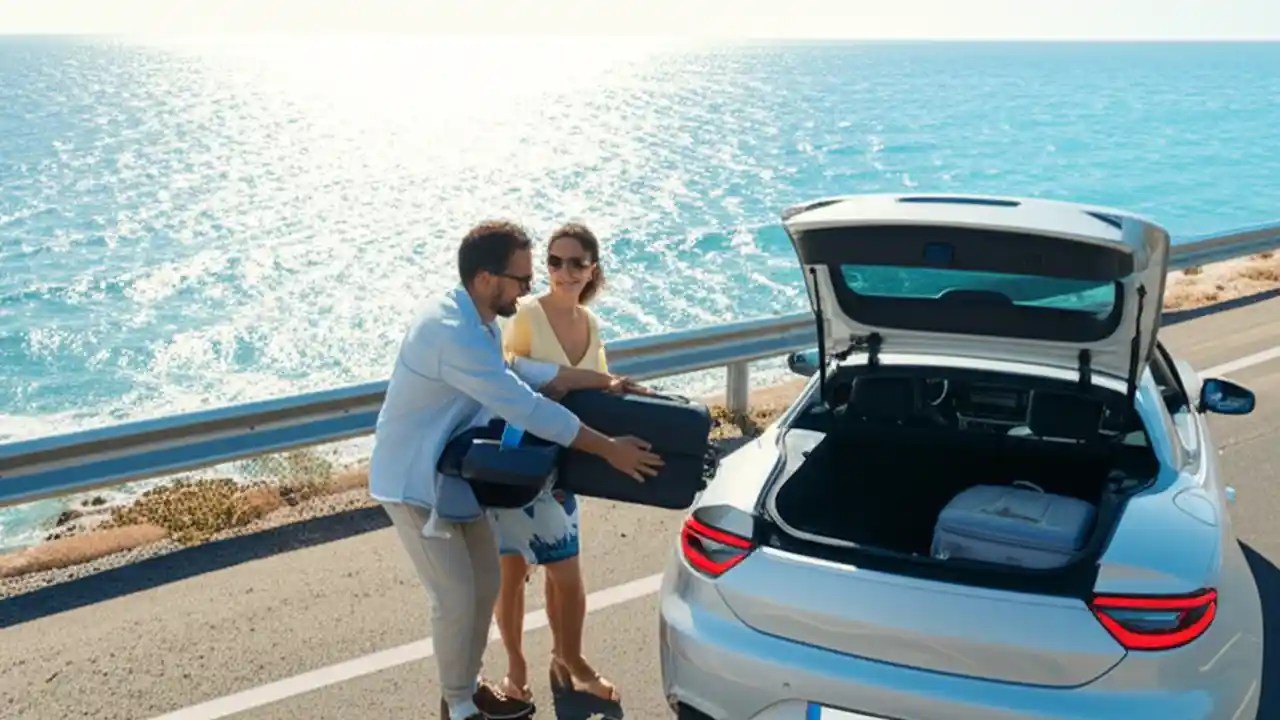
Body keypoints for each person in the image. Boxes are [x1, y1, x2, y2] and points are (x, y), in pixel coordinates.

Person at [368, 220, 663, 720]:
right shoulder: (451, 331)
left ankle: (468, 684)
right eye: (523, 279)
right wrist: (606, 447)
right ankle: (459, 705)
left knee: (484, 582)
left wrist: (603, 381)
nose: (529, 288)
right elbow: (524, 404)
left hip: (452, 474)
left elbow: (518, 370)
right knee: (455, 596)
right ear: (486, 278)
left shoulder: (476, 317)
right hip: (411, 482)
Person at [489, 223, 632, 705]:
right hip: (518, 461)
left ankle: (567, 658)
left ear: (593, 269)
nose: (564, 272)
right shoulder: (527, 314)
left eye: (576, 263)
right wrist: (561, 380)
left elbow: (600, 381)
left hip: (565, 466)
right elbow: (504, 370)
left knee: (564, 573)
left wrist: (623, 387)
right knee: (511, 575)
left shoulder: (590, 324)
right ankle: (517, 668)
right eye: (554, 262)